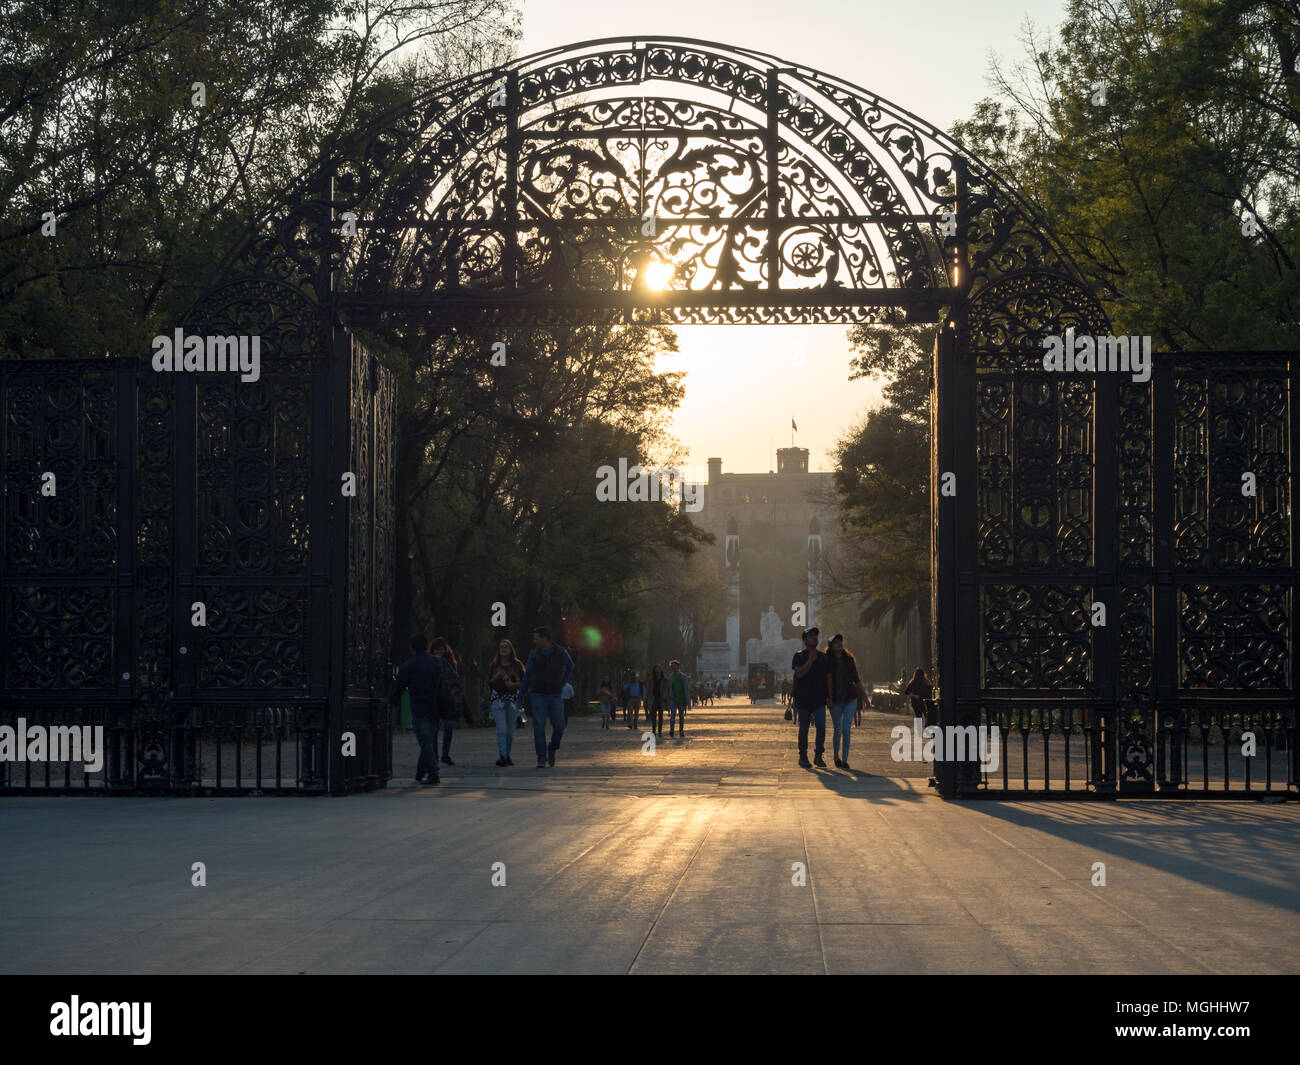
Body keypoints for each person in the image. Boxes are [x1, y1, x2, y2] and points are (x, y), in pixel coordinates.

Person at [389, 634, 448, 785]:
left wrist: (393, 702)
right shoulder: (437, 662)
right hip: (435, 706)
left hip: (419, 706)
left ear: (412, 648)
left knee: (425, 742)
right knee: (428, 741)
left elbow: (399, 686)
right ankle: (420, 773)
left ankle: (433, 774)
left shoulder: (409, 665)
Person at [517, 626, 574, 768]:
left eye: (537, 638)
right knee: (538, 727)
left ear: (545, 638)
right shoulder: (534, 655)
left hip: (555, 695)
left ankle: (552, 748)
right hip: (538, 695)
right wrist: (520, 696)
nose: (534, 641)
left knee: (560, 726)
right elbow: (527, 676)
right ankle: (541, 758)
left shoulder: (560, 652)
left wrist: (562, 682)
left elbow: (570, 666)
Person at [825, 634, 868, 770]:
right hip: (835, 700)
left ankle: (844, 759)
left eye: (840, 642)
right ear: (831, 647)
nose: (839, 644)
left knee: (846, 729)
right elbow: (827, 681)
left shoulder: (849, 660)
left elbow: (857, 680)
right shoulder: (827, 662)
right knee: (837, 730)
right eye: (836, 643)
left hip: (850, 698)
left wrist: (866, 698)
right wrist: (829, 698)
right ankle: (836, 757)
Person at [791, 626, 828, 768]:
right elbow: (799, 673)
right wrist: (810, 661)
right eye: (811, 636)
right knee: (804, 728)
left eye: (816, 636)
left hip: (819, 699)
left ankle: (818, 755)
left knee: (821, 725)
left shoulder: (823, 657)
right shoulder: (799, 656)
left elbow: (828, 678)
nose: (815, 638)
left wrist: (829, 696)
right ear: (805, 640)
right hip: (803, 699)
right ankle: (803, 756)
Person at [487, 638, 524, 766]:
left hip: (512, 701)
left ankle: (507, 755)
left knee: (509, 731)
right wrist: (496, 677)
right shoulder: (494, 665)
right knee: (501, 729)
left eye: (506, 647)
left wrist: (512, 684)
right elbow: (489, 683)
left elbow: (523, 683)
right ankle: (502, 755)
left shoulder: (517, 665)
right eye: (501, 647)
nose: (503, 649)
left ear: (510, 649)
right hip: (497, 700)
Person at [430, 637, 463, 766]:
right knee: (434, 728)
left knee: (448, 727)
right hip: (435, 698)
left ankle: (445, 754)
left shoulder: (449, 661)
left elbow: (456, 678)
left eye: (441, 650)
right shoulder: (430, 661)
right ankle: (435, 755)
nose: (439, 652)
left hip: (448, 698)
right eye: (437, 650)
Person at [668, 659, 691, 739]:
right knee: (672, 716)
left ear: (678, 667)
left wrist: (688, 703)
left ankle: (681, 730)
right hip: (673, 699)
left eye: (674, 667)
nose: (673, 668)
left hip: (681, 699)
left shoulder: (683, 677)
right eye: (672, 667)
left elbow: (686, 689)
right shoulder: (670, 677)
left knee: (681, 716)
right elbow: (669, 689)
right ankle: (672, 730)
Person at [645, 664, 667, 736]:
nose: (658, 671)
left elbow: (666, 690)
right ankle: (654, 730)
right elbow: (648, 690)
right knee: (653, 716)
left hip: (661, 699)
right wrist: (646, 699)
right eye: (656, 670)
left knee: (661, 716)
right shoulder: (651, 680)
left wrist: (665, 697)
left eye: (659, 669)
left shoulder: (664, 680)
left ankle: (660, 731)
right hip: (653, 699)